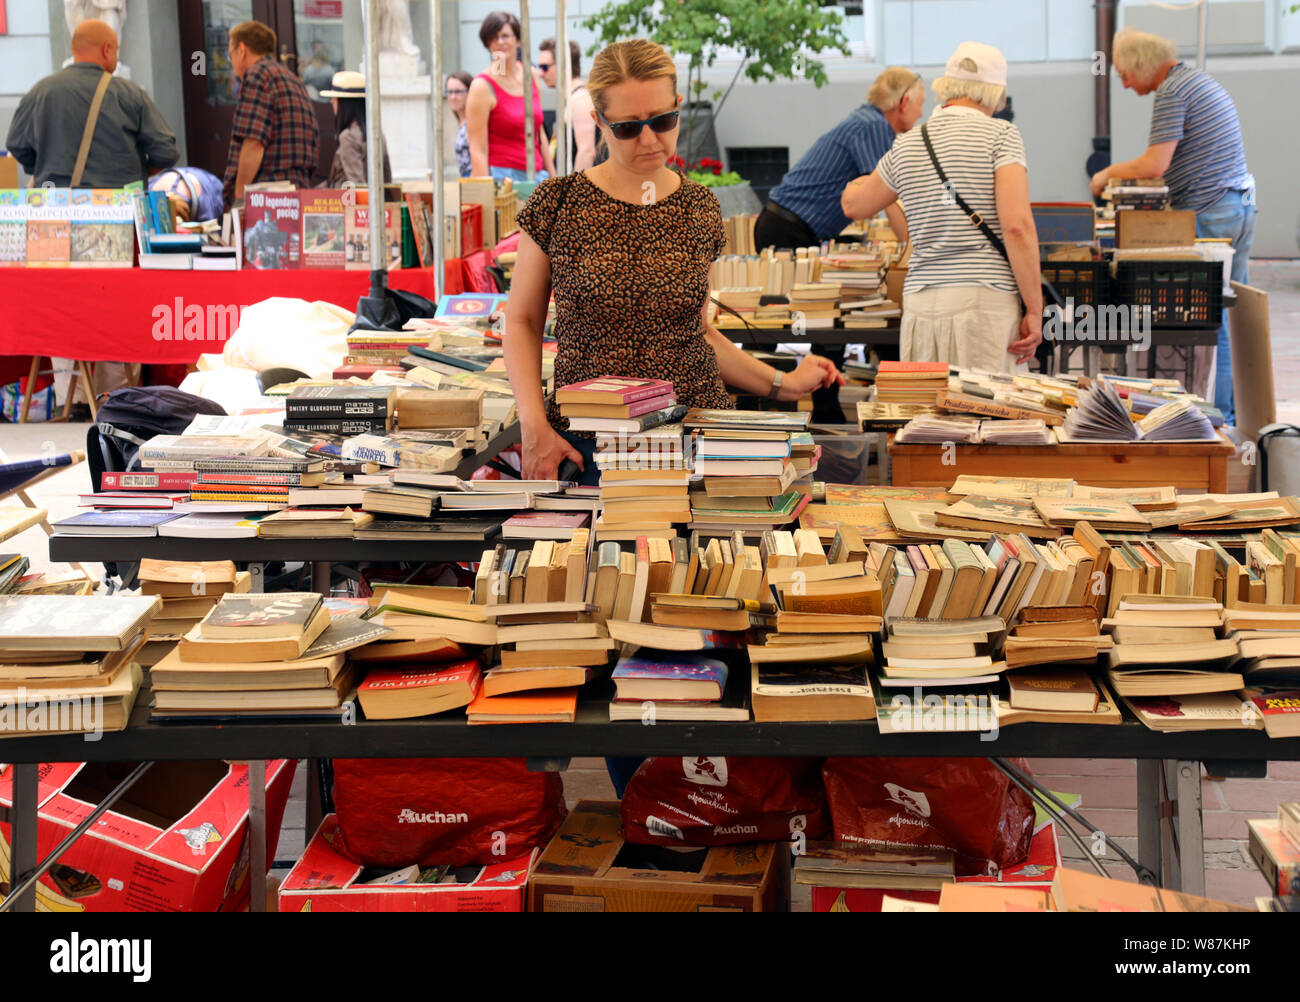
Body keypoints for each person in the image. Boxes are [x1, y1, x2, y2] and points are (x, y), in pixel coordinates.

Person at [504, 38, 842, 486]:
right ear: (598, 122)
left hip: (697, 433)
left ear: (679, 106)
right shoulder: (559, 203)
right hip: (595, 441)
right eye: (628, 127)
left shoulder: (699, 206)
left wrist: (782, 384)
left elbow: (695, 331)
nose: (649, 140)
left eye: (663, 121)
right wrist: (533, 428)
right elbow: (523, 321)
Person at [841, 42, 1042, 373]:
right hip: (984, 301)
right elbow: (1016, 226)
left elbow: (855, 205)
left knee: (926, 416)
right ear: (995, 93)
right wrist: (1034, 308)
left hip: (922, 305)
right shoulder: (1002, 135)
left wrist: (854, 183)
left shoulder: (907, 143)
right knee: (985, 416)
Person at [1091, 28, 1254, 426]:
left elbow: (1153, 165)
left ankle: (1220, 422)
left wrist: (1105, 174)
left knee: (1210, 319)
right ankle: (1227, 418)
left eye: (1125, 74)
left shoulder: (1173, 91)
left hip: (1213, 210)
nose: (1125, 84)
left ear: (1142, 65)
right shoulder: (1194, 81)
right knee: (1223, 315)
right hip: (1235, 204)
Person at [758, 66, 924, 421]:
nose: (921, 113)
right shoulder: (873, 126)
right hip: (787, 229)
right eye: (921, 104)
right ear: (904, 101)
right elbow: (886, 193)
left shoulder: (868, 122)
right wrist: (912, 243)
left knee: (815, 321)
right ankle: (782, 410)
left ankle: (820, 410)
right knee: (786, 326)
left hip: (787, 225)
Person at [5, 18, 178, 188]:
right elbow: (165, 152)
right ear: (106, 50)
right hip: (119, 206)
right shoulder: (129, 94)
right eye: (116, 51)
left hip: (57, 205)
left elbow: (17, 145)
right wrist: (138, 176)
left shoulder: (40, 92)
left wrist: (45, 169)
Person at [222, 20, 320, 209]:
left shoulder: (258, 75)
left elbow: (254, 142)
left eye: (230, 54)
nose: (231, 61)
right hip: (297, 192)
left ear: (242, 50)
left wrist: (240, 197)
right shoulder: (292, 79)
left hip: (267, 197)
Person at [465, 10, 555, 182]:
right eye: (493, 37)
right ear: (487, 43)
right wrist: (487, 195)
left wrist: (554, 177)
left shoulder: (531, 75)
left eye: (505, 36)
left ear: (518, 40)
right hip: (502, 178)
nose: (500, 42)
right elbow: (477, 149)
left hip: (536, 175)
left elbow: (539, 131)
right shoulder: (482, 86)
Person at [320, 71, 392, 188]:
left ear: (346, 104)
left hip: (347, 203)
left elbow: (357, 185)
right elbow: (387, 181)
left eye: (335, 98)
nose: (331, 101)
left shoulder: (348, 137)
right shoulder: (377, 135)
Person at [537, 38, 598, 171]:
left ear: (563, 66)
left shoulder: (580, 99)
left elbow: (587, 152)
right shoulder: (573, 98)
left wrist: (575, 191)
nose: (540, 73)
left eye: (545, 67)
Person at [445, 71, 473, 178]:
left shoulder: (474, 121)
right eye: (449, 92)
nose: (452, 97)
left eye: (458, 92)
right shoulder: (462, 122)